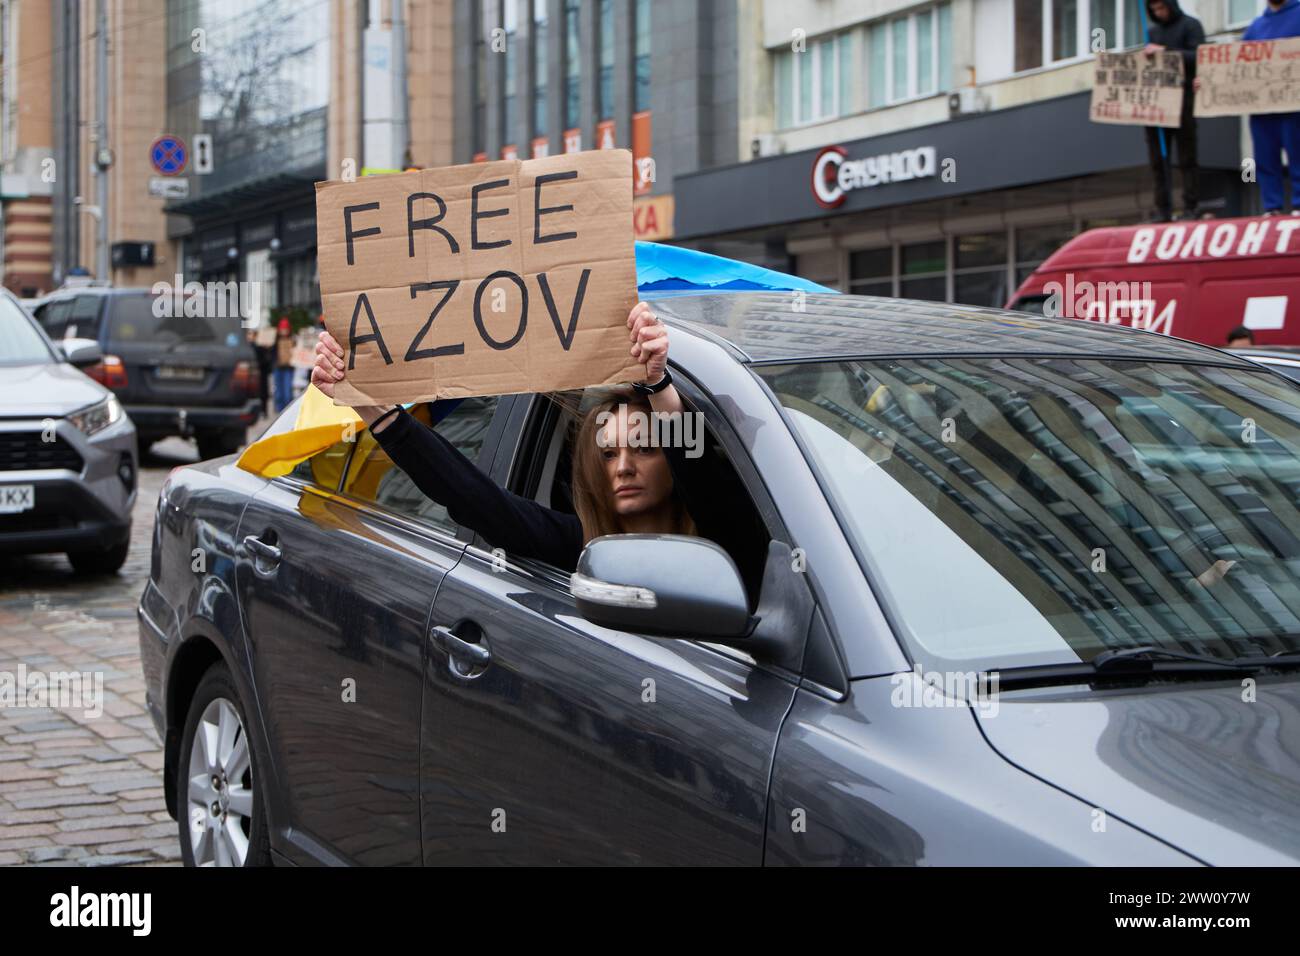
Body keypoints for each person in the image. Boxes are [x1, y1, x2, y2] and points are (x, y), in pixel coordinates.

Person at [310, 301, 768, 593]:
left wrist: (658, 385)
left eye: (643, 449)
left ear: (672, 458)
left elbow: (709, 480)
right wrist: (376, 410)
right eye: (608, 454)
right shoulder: (581, 545)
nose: (623, 467)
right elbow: (475, 499)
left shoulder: (725, 543)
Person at [1142, 0, 1206, 221]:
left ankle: (1191, 206)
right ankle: (1163, 209)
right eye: (1155, 10)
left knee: (1187, 157)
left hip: (1183, 100)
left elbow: (1199, 57)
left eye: (1162, 8)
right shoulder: (1152, 33)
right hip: (1157, 103)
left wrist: (1165, 52)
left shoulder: (1191, 26)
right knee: (1158, 160)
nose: (1159, 13)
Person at [1243, 0, 1300, 214]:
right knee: (1265, 157)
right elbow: (1234, 66)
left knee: (1297, 153)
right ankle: (1271, 206)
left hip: (1295, 106)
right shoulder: (1256, 27)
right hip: (1263, 108)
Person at [273, 318, 296, 412]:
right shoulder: (274, 341)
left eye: (285, 329)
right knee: (278, 392)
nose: (284, 331)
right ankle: (280, 411)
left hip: (288, 369)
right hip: (277, 368)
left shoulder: (293, 340)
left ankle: (287, 410)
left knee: (287, 392)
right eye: (282, 329)